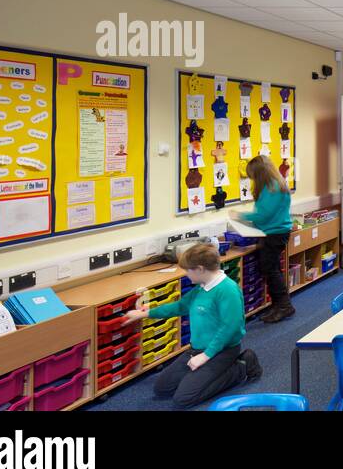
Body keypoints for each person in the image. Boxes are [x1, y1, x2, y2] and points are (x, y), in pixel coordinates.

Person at [123, 244, 260, 408]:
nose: (186, 274)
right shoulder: (201, 287)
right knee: (162, 389)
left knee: (183, 398)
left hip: (222, 351)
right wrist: (145, 313)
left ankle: (242, 366)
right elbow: (180, 307)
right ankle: (201, 374)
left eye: (188, 270)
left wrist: (206, 356)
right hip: (196, 349)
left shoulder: (227, 290)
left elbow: (231, 328)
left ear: (200, 269)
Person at [236, 155, 295, 322]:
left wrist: (240, 215)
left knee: (271, 270)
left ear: (260, 173)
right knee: (272, 268)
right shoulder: (275, 185)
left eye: (253, 176)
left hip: (274, 234)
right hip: (275, 232)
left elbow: (263, 215)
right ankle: (279, 305)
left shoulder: (272, 188)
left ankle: (284, 306)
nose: (253, 180)